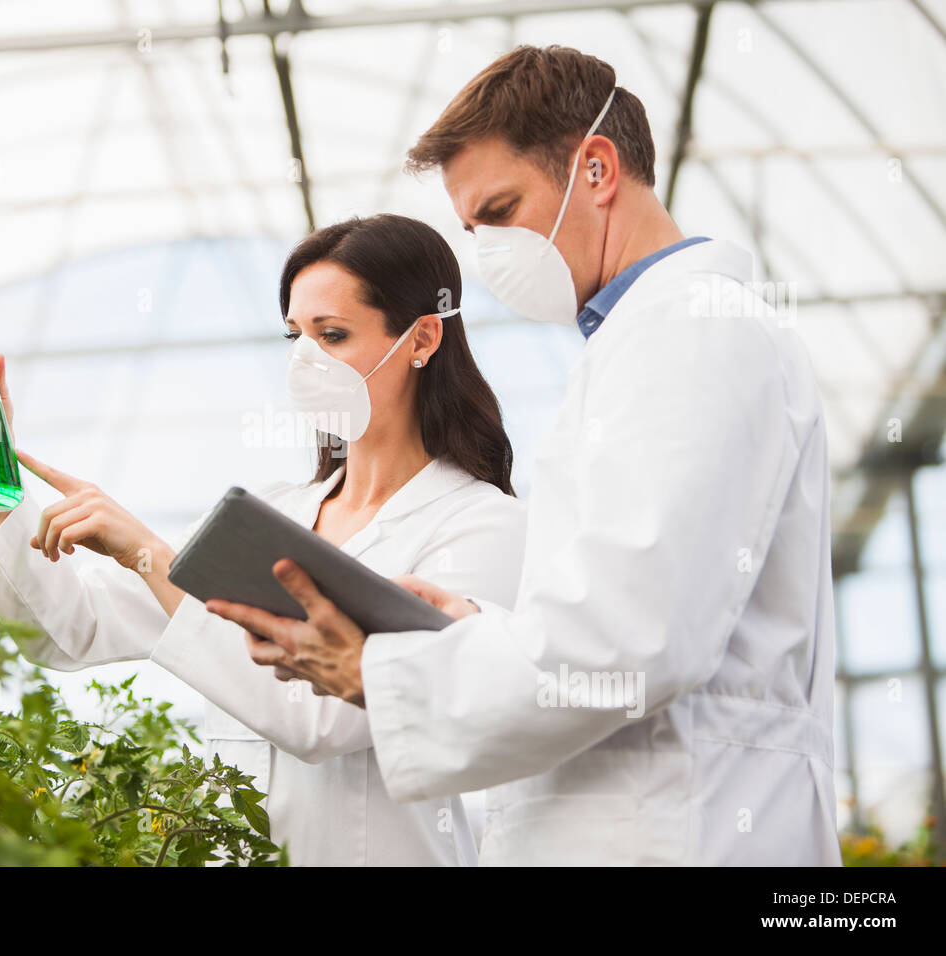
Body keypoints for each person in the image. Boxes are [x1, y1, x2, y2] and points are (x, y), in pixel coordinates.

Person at [209, 46, 843, 866]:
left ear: (597, 170)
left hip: (686, 829)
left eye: (502, 210)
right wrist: (484, 631)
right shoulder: (643, 338)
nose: (490, 251)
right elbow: (626, 607)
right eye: (474, 229)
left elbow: (631, 638)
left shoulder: (691, 331)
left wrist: (386, 670)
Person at [0, 214, 528, 866]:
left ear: (422, 339)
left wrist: (150, 554)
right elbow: (63, 629)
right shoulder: (274, 512)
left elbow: (323, 722)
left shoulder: (478, 524)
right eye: (294, 335)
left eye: (332, 334)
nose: (306, 358)